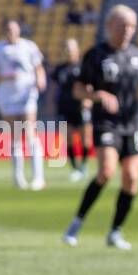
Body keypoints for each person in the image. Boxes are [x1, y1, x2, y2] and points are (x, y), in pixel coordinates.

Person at [62, 5, 138, 249]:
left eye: (132, 26)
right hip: (106, 122)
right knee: (106, 172)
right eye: (122, 25)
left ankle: (115, 232)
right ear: (109, 26)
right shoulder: (95, 55)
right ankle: (76, 223)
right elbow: (78, 90)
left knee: (131, 177)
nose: (128, 30)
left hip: (133, 123)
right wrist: (97, 95)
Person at [0, 18, 47, 190]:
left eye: (14, 30)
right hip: (7, 95)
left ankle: (38, 178)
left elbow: (38, 67)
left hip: (26, 93)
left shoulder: (29, 46)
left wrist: (41, 79)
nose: (11, 33)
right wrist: (4, 77)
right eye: (8, 30)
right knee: (14, 135)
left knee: (30, 131)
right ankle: (18, 177)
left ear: (19, 30)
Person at [49, 38, 92, 182]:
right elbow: (54, 87)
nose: (67, 51)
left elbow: (90, 84)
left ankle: (84, 166)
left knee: (86, 140)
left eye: (70, 48)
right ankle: (75, 169)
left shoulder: (83, 67)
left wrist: (88, 99)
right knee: (68, 139)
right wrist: (51, 104)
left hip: (81, 106)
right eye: (65, 48)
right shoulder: (60, 69)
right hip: (65, 107)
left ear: (77, 50)